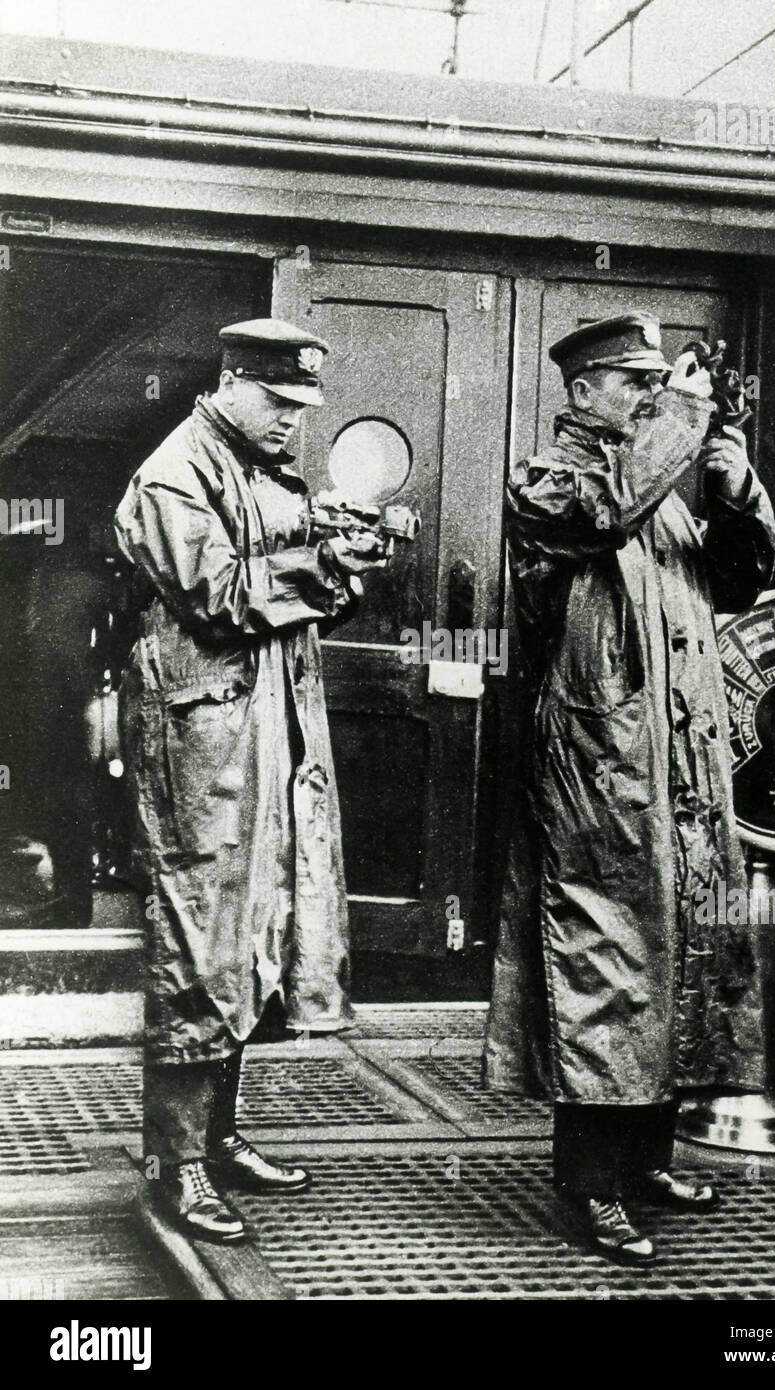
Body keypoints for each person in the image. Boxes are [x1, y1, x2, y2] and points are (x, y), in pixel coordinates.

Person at [483, 312, 775, 1265]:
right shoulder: (549, 481)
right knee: (604, 960)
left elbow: (741, 576)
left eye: (657, 382)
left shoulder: (665, 484)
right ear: (578, 392)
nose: (648, 395)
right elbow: (603, 511)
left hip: (681, 761)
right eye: (629, 381)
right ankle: (592, 1185)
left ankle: (646, 1157)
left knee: (684, 945)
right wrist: (685, 422)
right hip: (597, 770)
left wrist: (735, 489)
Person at [115, 318, 386, 1243]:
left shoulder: (262, 470)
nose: (292, 423)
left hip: (264, 728)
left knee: (258, 929)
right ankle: (173, 1169)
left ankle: (219, 1138)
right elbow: (219, 596)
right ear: (231, 382)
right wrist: (320, 562)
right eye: (277, 403)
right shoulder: (173, 472)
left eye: (302, 408)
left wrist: (340, 563)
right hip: (204, 743)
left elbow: (291, 586)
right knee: (200, 943)